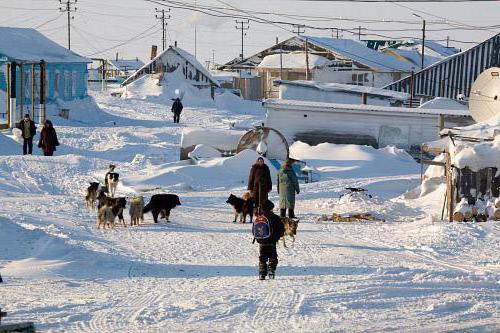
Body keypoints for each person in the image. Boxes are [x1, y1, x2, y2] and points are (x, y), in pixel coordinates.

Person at [255, 200, 284, 280]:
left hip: (261, 242)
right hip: (272, 242)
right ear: (271, 208)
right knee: (273, 256)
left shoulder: (259, 218)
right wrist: (278, 236)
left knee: (262, 257)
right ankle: (271, 271)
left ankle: (262, 273)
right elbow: (281, 229)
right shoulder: (275, 217)